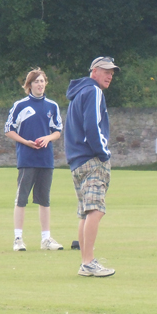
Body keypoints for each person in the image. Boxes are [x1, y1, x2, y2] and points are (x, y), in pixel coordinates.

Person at [64, 56, 120, 277]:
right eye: (106, 71)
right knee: (96, 210)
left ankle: (85, 261)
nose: (109, 76)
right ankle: (88, 262)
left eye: (112, 73)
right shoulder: (94, 92)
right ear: (94, 71)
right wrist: (104, 153)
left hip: (76, 161)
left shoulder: (78, 93)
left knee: (85, 213)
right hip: (92, 160)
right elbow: (92, 127)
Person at [4, 67, 64, 252]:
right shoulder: (20, 105)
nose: (40, 84)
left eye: (42, 81)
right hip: (27, 159)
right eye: (36, 81)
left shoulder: (52, 106)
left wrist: (47, 138)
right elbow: (9, 130)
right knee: (21, 199)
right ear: (29, 85)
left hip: (45, 159)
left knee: (44, 200)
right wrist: (26, 142)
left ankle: (46, 239)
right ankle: (18, 239)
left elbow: (57, 131)